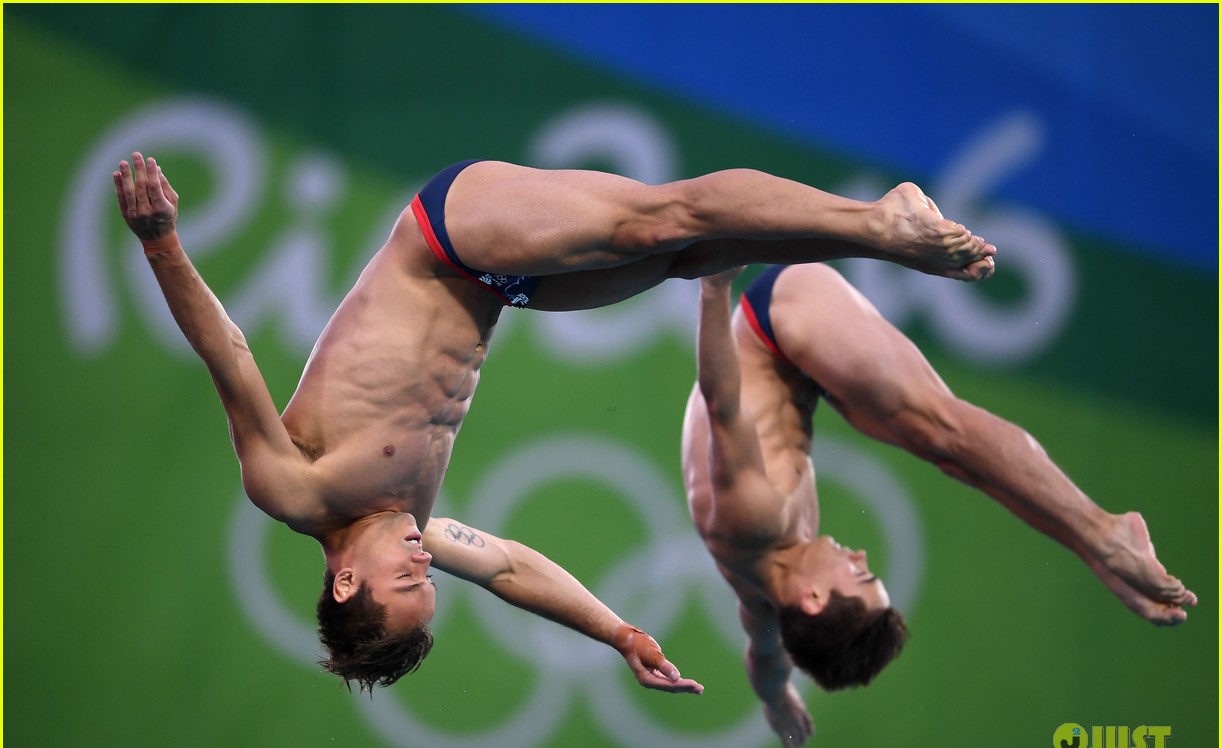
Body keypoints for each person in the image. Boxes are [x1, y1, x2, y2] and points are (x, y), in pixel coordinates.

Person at [113, 152, 996, 694]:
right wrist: (618, 631)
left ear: (346, 584)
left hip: (449, 235)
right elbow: (506, 568)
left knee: (664, 219)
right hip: (503, 285)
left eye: (407, 579)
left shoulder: (293, 486)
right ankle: (874, 230)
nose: (425, 562)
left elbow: (229, 353)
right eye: (430, 582)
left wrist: (161, 243)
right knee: (697, 253)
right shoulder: (405, 524)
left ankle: (885, 226)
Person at [680, 262, 1198, 748]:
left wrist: (713, 286)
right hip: (797, 373)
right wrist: (776, 704)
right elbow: (766, 665)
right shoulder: (766, 606)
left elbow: (723, 401)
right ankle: (1094, 552)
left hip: (776, 318)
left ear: (813, 599)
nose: (860, 556)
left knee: (944, 430)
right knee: (955, 460)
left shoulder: (750, 519)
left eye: (859, 576)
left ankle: (1104, 536)